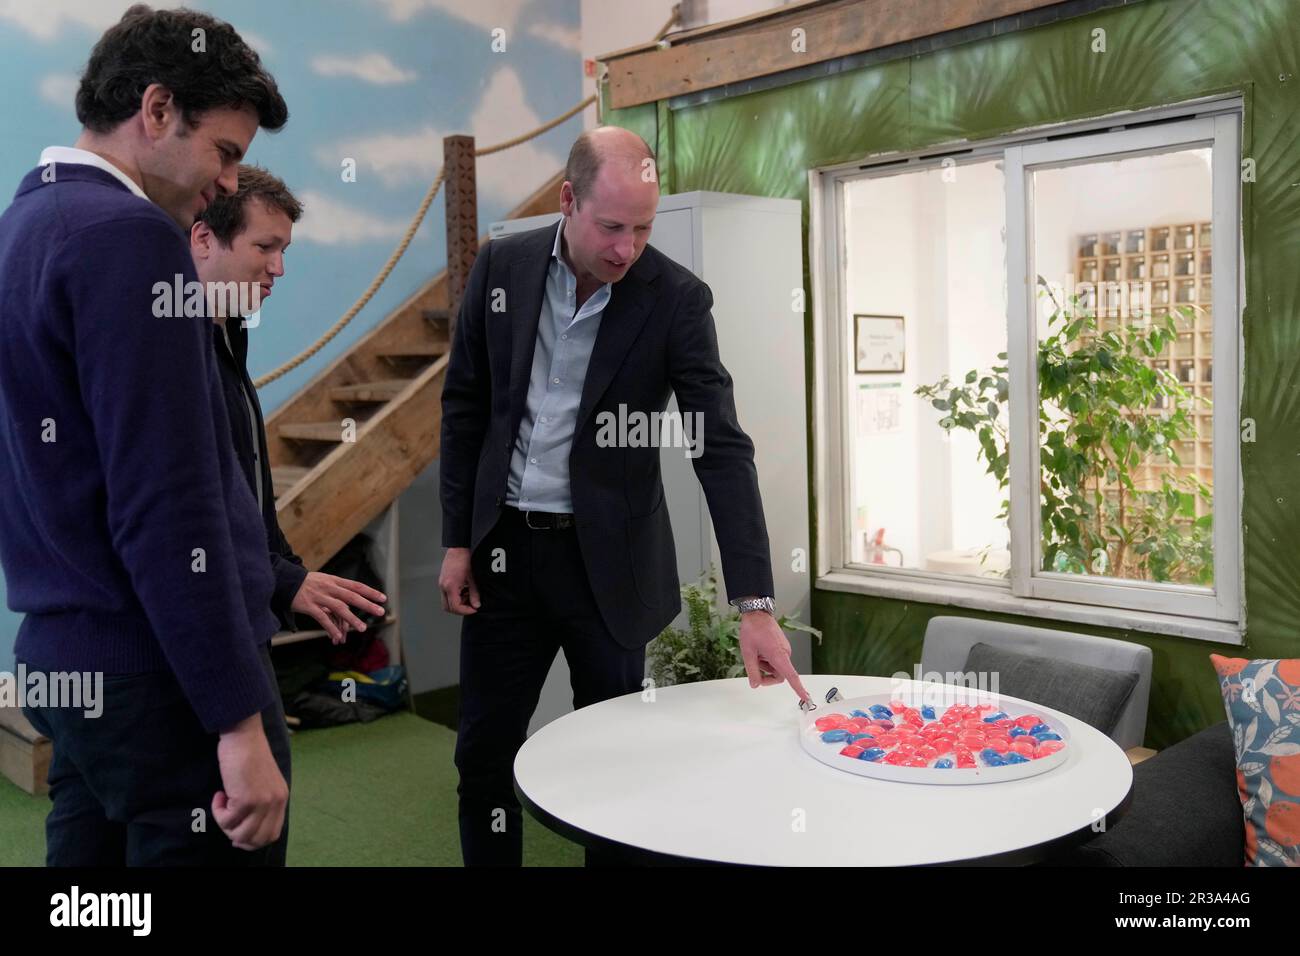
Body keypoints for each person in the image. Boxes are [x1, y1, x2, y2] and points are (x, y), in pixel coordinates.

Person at [438, 125, 810, 867]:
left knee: (614, 760)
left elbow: (722, 449)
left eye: (642, 228)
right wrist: (457, 540)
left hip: (607, 566)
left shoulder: (674, 300)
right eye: (611, 227)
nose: (625, 249)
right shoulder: (501, 269)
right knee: (482, 756)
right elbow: (466, 407)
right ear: (568, 200)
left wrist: (755, 603)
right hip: (504, 553)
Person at [0, 5, 291, 865]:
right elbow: (166, 504)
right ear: (157, 109)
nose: (231, 184)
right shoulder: (131, 237)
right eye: (227, 153)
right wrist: (237, 721)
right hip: (157, 675)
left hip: (60, 655)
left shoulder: (24, 228)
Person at [191, 164, 387, 646]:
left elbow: (246, 493)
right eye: (265, 247)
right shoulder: (171, 350)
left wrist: (289, 574)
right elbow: (189, 507)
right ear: (204, 239)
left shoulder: (230, 332)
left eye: (283, 250)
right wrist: (283, 579)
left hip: (242, 614)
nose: (279, 267)